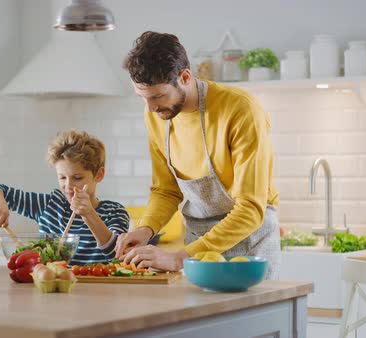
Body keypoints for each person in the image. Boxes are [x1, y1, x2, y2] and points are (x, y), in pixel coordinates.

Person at [115, 31, 280, 279]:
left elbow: (250, 209)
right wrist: (145, 229)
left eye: (158, 96)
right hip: (194, 248)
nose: (150, 108)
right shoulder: (157, 115)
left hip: (248, 247)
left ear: (185, 77)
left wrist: (180, 257)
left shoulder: (240, 110)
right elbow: (166, 190)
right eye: (143, 98)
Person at [0, 130, 129, 266]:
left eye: (77, 178)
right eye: (62, 178)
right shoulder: (50, 205)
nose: (68, 186)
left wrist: (89, 214)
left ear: (99, 175)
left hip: (99, 291)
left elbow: (116, 254)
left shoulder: (115, 212)